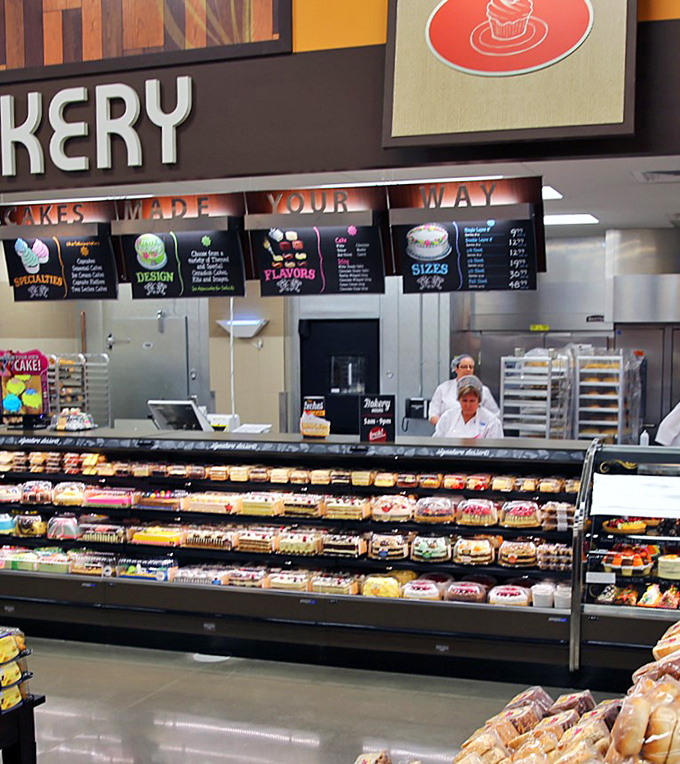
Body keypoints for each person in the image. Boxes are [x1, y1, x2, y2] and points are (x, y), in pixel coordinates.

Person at [429, 354, 499, 426]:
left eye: (471, 367)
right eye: (464, 367)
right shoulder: (443, 388)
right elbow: (433, 415)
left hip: (476, 433)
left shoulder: (483, 390)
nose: (468, 370)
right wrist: (446, 428)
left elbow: (495, 415)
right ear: (456, 369)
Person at [433, 375, 504, 439]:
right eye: (464, 400)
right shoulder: (447, 417)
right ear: (458, 400)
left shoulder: (491, 422)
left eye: (472, 401)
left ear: (479, 401)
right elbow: (437, 443)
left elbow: (496, 450)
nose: (468, 405)